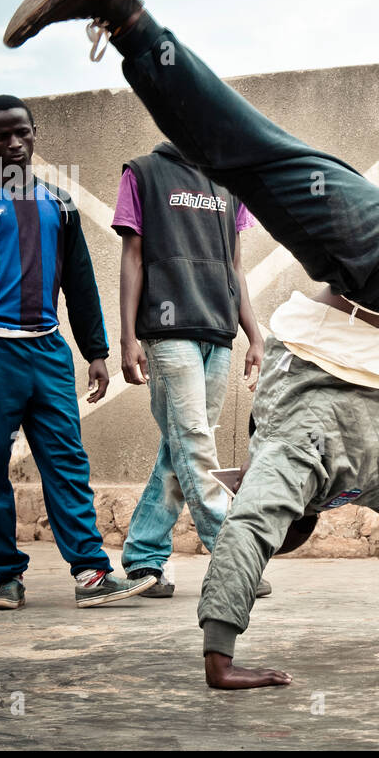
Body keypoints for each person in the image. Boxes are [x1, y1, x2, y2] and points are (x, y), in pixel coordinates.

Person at [3, 0, 379, 688]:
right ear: (295, 502)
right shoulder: (293, 454)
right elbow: (247, 534)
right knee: (249, 158)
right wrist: (218, 654)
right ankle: (127, 14)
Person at [0, 94, 157, 609]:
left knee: (67, 462)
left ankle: (92, 576)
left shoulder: (61, 203)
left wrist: (96, 351)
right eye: (1, 136)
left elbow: (80, 283)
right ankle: (6, 577)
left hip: (50, 353)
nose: (13, 143)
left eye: (22, 133)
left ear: (35, 134)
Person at [114, 141, 271, 599]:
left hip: (219, 335)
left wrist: (254, 335)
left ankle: (143, 556)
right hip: (168, 333)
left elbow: (236, 268)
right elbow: (133, 258)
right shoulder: (142, 173)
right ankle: (234, 558)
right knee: (196, 444)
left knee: (181, 447)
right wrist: (128, 338)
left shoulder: (229, 181)